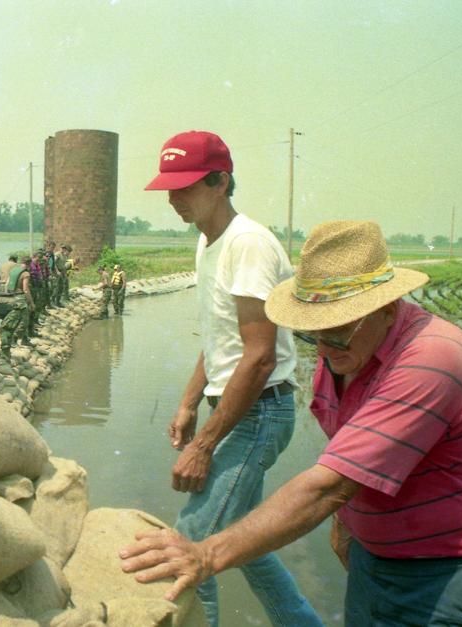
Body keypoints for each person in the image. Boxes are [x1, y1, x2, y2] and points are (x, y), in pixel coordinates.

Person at [121, 220, 462, 626]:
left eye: (335, 333)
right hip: (378, 564)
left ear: (386, 309)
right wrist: (347, 525)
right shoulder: (342, 355)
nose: (322, 348)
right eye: (311, 333)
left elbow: (330, 485)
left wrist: (207, 554)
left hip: (456, 577)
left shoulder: (431, 360)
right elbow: (349, 455)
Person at [135, 130, 317, 627]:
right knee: (247, 541)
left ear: (221, 182)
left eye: (186, 187)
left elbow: (259, 358)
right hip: (235, 406)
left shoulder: (249, 243)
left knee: (191, 546)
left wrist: (204, 446)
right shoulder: (206, 241)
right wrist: (189, 403)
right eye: (169, 189)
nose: (174, 199)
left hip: (259, 410)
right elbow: (220, 339)